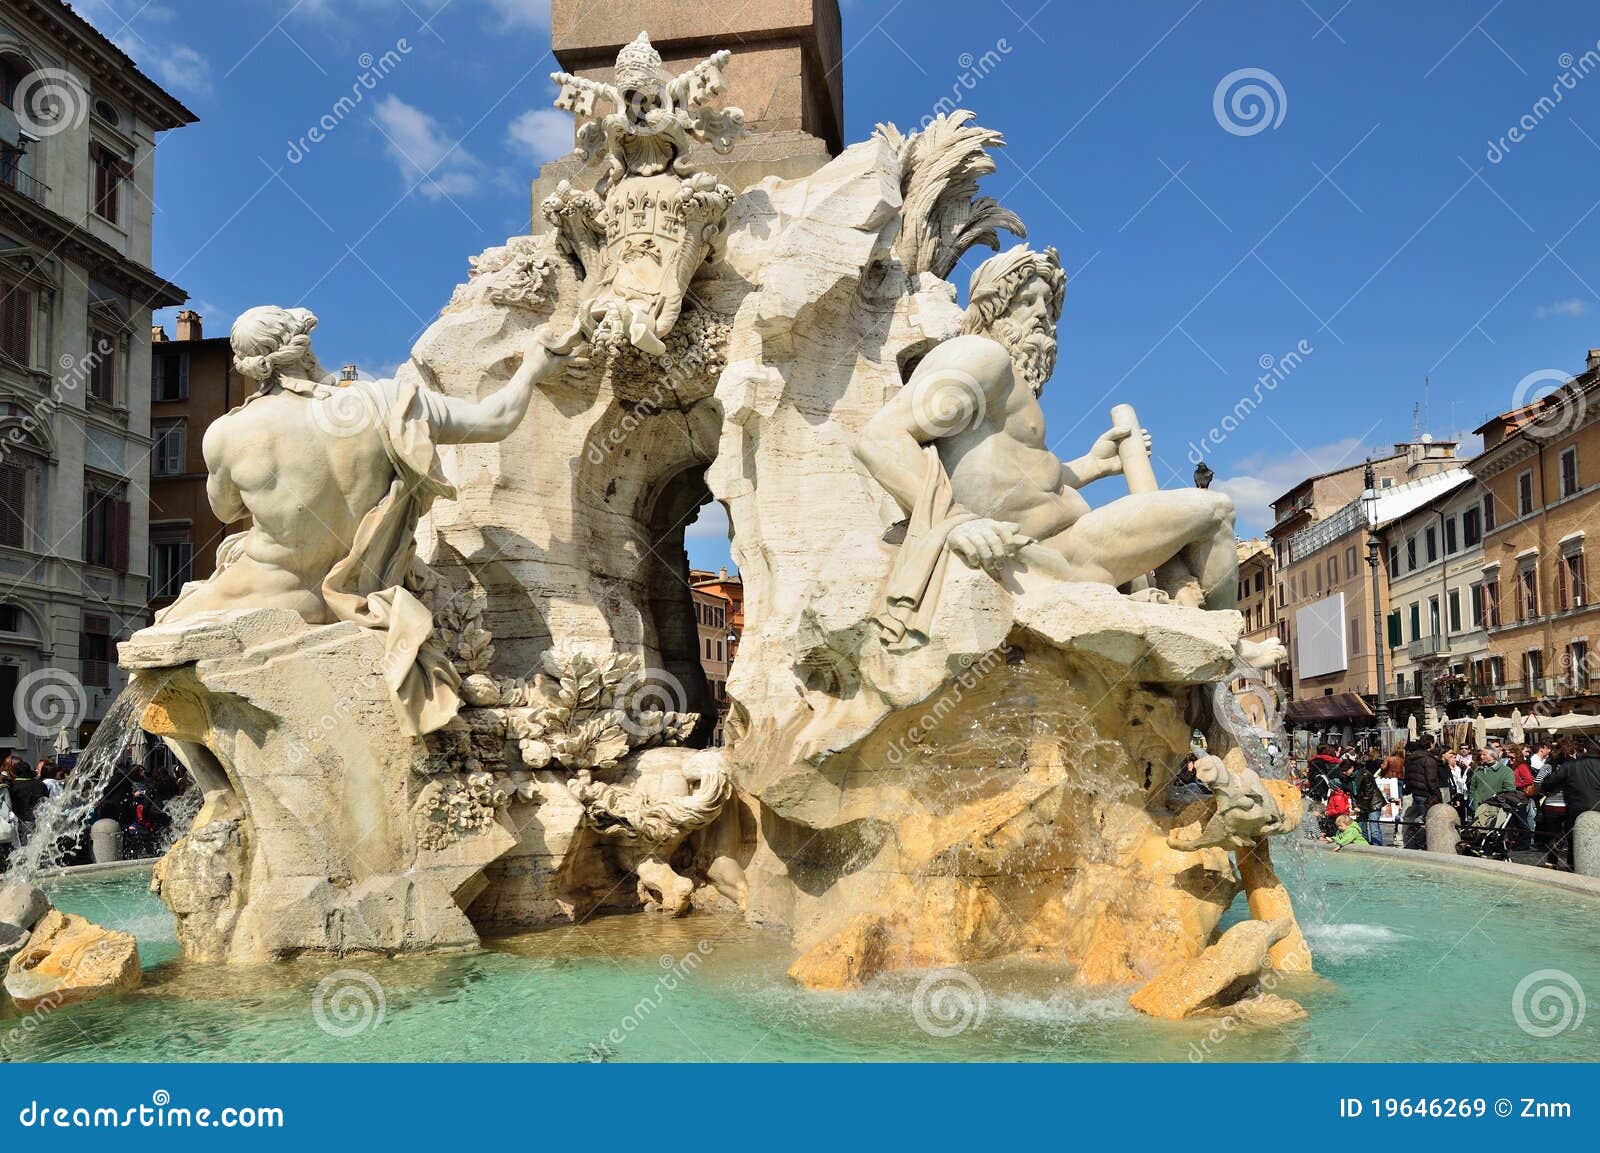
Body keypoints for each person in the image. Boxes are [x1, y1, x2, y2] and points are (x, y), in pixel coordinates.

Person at [1537, 736, 1600, 872]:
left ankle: (1572, 863)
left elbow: (1548, 783)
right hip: (1597, 807)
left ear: (1583, 750)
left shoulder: (1570, 766)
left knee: (1572, 837)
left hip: (1576, 807)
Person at [1402, 735, 1444, 849]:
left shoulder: (1411, 757)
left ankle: (1411, 841)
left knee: (1418, 817)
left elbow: (1408, 775)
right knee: (1425, 820)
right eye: (1433, 743)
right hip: (1426, 794)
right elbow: (1432, 780)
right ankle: (1417, 845)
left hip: (1415, 792)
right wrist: (1438, 795)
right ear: (1430, 744)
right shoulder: (1429, 760)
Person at [5, 756, 47, 850]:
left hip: (20, 824)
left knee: (22, 849)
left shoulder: (11, 786)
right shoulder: (41, 784)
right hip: (40, 822)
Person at [1350, 750, 1385, 846]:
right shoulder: (1351, 778)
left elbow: (1369, 793)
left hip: (1374, 803)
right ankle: (1365, 846)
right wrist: (1355, 805)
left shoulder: (1365, 775)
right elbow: (1352, 793)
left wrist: (1360, 807)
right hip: (1362, 804)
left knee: (1374, 828)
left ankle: (1377, 848)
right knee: (1362, 827)